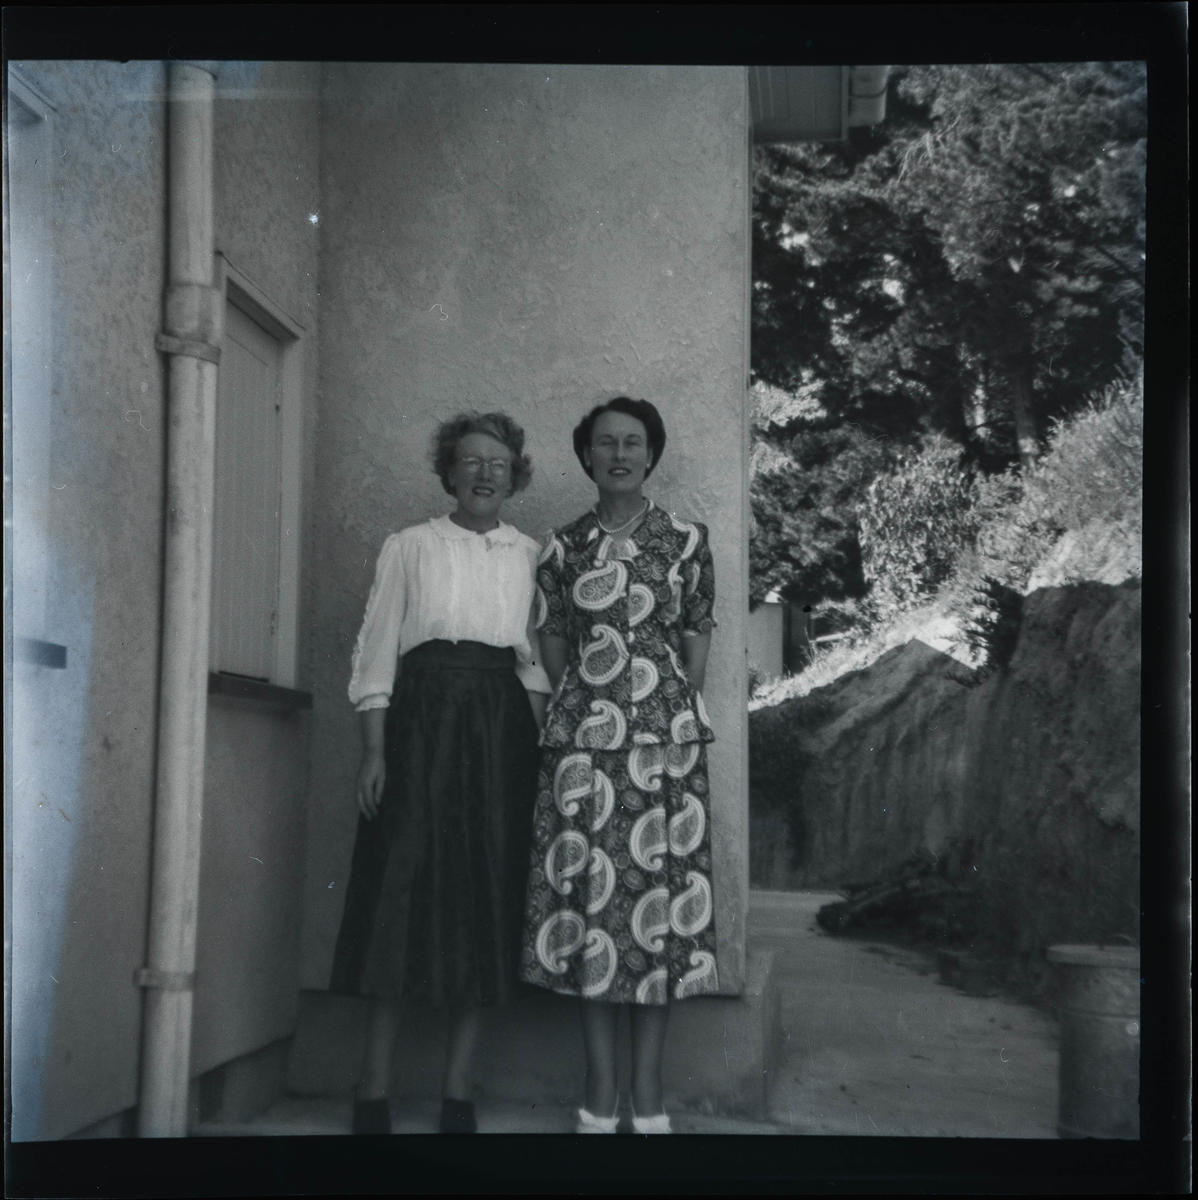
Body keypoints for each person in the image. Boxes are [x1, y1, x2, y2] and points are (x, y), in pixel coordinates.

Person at [330, 412, 550, 1135]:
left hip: (499, 730)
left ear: (514, 474)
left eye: (497, 461)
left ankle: (459, 1093)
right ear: (449, 472)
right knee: (400, 886)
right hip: (420, 724)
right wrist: (374, 749)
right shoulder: (411, 547)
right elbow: (376, 653)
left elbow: (534, 665)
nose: (484, 472)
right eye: (469, 461)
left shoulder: (531, 555)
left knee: (487, 891)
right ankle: (372, 1089)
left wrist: (545, 749)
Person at [520, 396, 719, 1135]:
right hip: (584, 752)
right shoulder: (562, 547)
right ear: (587, 456)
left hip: (665, 747)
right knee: (594, 918)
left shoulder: (687, 540)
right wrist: (596, 712)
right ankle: (599, 1099)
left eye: (633, 442)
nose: (620, 454)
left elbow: (698, 634)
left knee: (659, 919)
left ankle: (651, 1098)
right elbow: (554, 646)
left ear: (652, 454)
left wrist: (660, 710)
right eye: (606, 443)